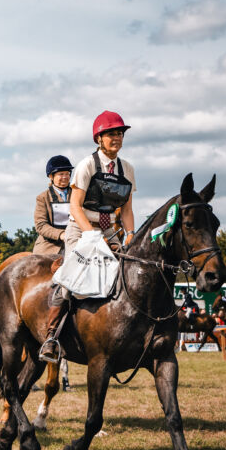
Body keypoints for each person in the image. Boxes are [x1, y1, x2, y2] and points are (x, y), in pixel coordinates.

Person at [38, 111, 135, 363]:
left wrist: (131, 235)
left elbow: (126, 209)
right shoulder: (87, 165)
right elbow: (75, 206)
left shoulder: (128, 169)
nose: (117, 137)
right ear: (99, 138)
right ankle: (51, 336)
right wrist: (92, 236)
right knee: (70, 276)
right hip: (81, 228)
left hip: (109, 230)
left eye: (120, 133)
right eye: (111, 133)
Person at [34, 155, 74, 256]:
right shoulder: (42, 198)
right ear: (51, 176)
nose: (65, 177)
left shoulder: (78, 194)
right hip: (50, 245)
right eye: (61, 174)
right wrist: (61, 234)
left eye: (67, 174)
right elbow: (41, 225)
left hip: (75, 241)